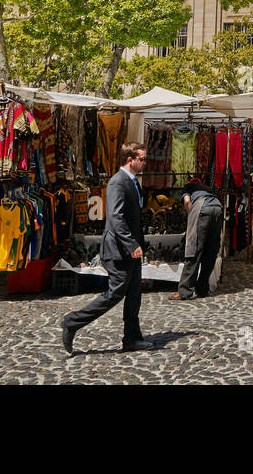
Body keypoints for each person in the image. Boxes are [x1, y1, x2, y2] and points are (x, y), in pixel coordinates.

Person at [62, 143, 151, 353]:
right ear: (130, 159)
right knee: (114, 294)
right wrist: (131, 244)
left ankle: (132, 338)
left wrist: (138, 244)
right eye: (142, 159)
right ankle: (72, 322)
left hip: (131, 250)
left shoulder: (133, 183)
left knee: (134, 296)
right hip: (119, 250)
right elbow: (115, 217)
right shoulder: (117, 183)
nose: (145, 162)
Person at [172, 177, 224, 300]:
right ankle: (202, 288)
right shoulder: (208, 189)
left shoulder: (188, 187)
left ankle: (184, 291)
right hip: (217, 206)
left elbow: (187, 202)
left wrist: (191, 216)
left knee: (194, 248)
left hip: (202, 207)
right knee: (211, 250)